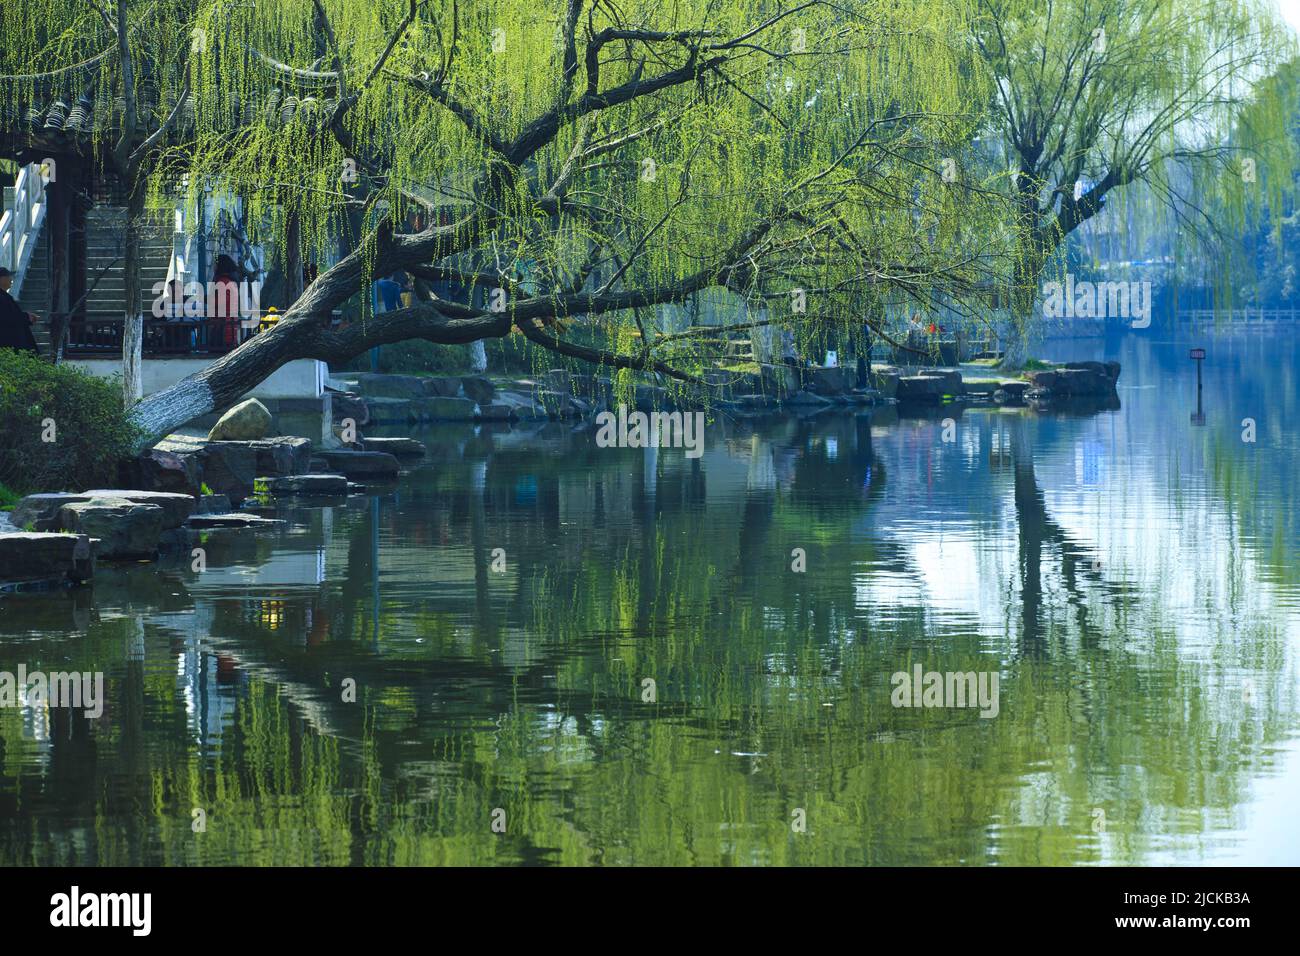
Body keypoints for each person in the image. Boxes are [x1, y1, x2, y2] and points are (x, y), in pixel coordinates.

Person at [0, 267, 40, 354]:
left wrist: (27, 316)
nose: (11, 280)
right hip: (8, 342)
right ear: (2, 279)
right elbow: (8, 318)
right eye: (9, 277)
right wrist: (27, 317)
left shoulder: (5, 297)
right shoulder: (2, 298)